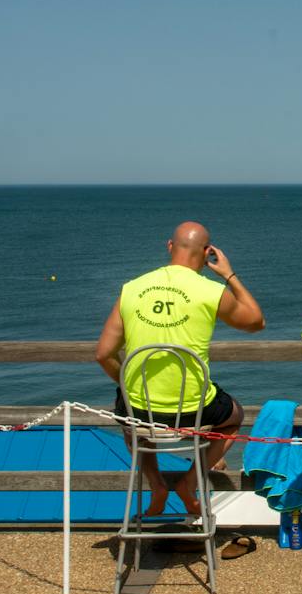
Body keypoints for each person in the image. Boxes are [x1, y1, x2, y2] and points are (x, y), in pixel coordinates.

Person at [95, 222, 265, 519]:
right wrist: (229, 275)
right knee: (235, 418)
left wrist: (126, 385)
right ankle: (190, 481)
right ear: (207, 252)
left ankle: (157, 485)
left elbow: (103, 354)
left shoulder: (132, 289)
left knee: (130, 422)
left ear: (170, 246)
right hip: (194, 411)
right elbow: (255, 321)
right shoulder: (211, 291)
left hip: (141, 410)